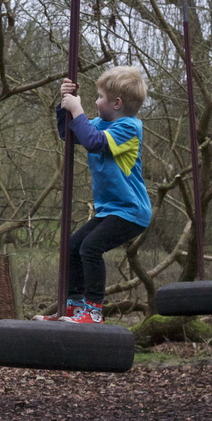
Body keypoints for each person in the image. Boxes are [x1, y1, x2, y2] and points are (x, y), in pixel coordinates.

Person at [34, 66, 151, 323]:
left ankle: (94, 311)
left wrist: (77, 109)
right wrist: (63, 105)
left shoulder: (129, 128)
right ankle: (73, 306)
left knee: (90, 247)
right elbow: (71, 134)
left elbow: (94, 141)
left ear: (116, 103)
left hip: (131, 211)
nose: (95, 101)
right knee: (73, 245)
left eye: (99, 97)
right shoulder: (101, 124)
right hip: (111, 210)